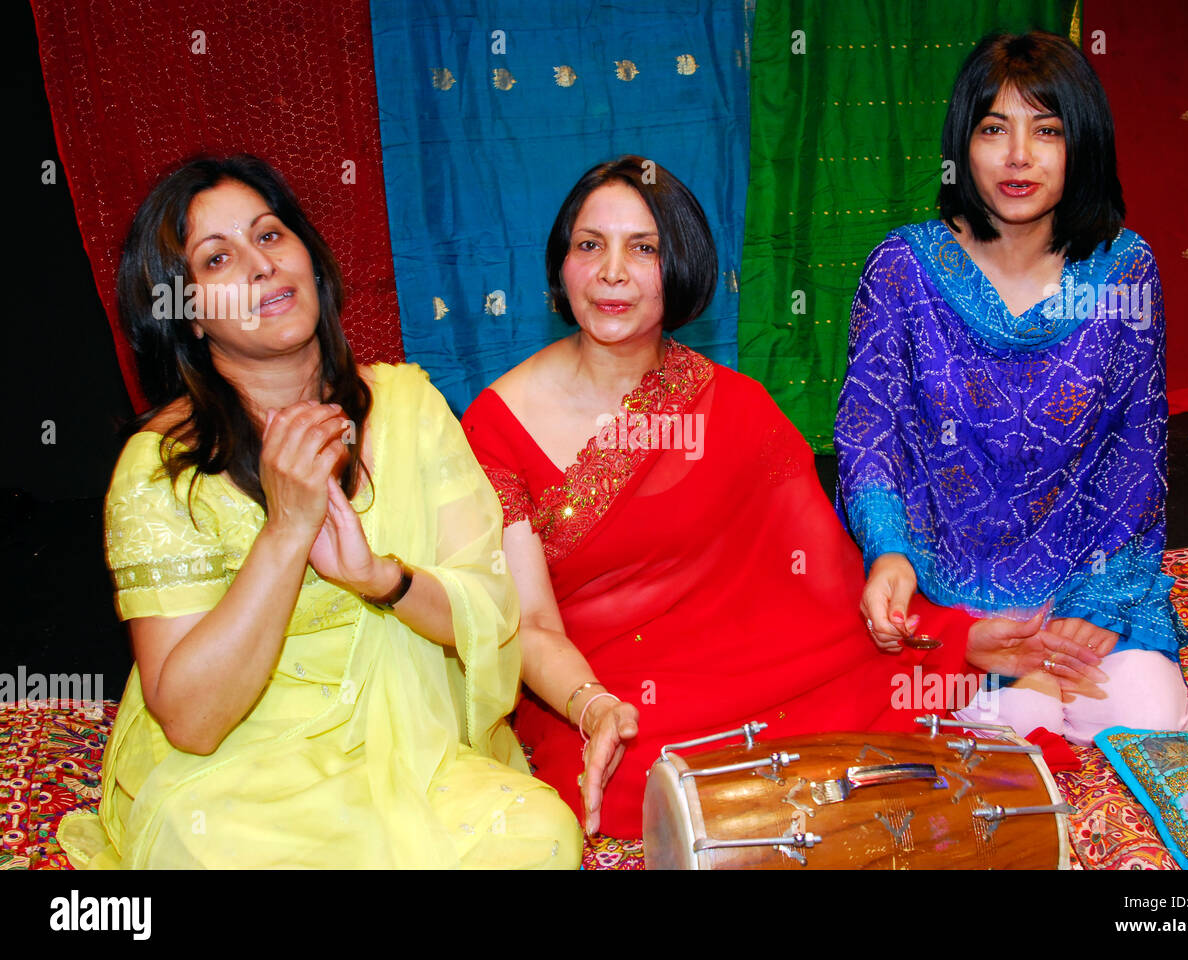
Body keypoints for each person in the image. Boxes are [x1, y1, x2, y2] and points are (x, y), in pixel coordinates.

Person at [461, 155, 1108, 839]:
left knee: (844, 706)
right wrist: (591, 705)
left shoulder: (734, 405)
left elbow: (823, 575)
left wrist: (955, 635)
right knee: (626, 775)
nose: (611, 272)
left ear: (679, 264)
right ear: (562, 265)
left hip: (742, 659)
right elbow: (529, 622)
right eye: (589, 245)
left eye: (643, 247)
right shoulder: (499, 422)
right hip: (590, 680)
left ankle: (958, 722)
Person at [56, 155, 581, 868]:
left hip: (408, 749)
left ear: (311, 257)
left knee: (538, 834)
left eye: (270, 236)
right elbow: (191, 720)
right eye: (218, 259)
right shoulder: (161, 467)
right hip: (239, 774)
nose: (260, 265)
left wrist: (379, 579)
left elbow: (488, 614)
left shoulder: (408, 409)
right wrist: (286, 529)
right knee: (204, 840)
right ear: (188, 318)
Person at [834, 32, 1188, 748]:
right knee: (998, 739)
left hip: (1079, 575)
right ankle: (1014, 691)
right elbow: (867, 434)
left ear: (1081, 145)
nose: (1019, 156)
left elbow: (1136, 449)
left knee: (1148, 721)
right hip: (943, 587)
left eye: (1047, 130)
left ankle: (1040, 683)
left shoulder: (1126, 270)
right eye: (995, 128)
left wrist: (1097, 599)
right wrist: (890, 552)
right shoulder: (902, 269)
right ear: (963, 146)